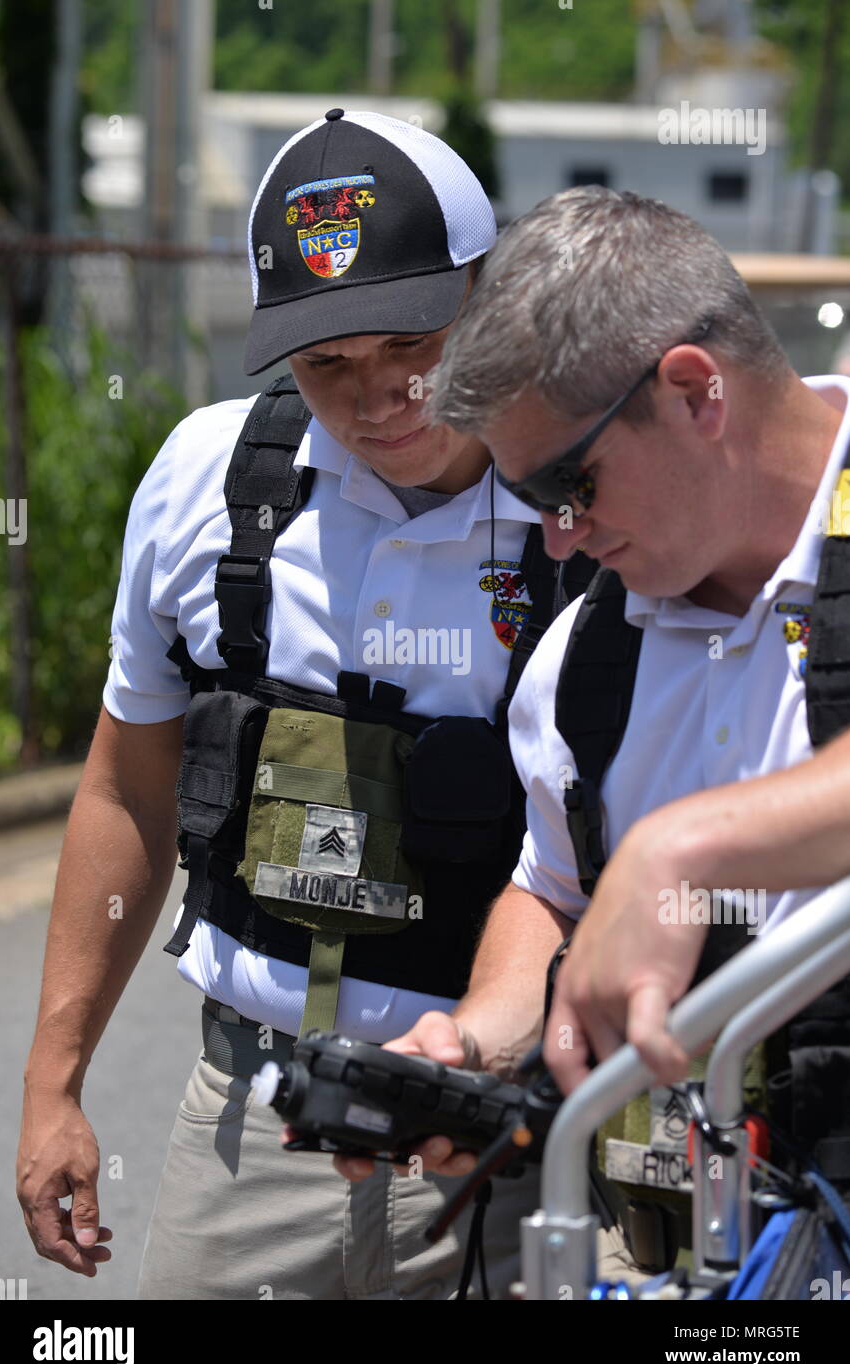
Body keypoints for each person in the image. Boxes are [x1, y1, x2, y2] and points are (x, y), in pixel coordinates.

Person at [15, 110, 555, 1300]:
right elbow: (124, 786)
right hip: (251, 1122)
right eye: (328, 367)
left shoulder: (593, 509)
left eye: (414, 342)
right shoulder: (212, 483)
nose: (380, 398)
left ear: (490, 293)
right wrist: (54, 1084)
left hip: (500, 1139)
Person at [337, 185, 850, 1279]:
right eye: (529, 499)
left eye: (571, 484)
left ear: (693, 390)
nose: (560, 539)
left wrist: (683, 845)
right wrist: (474, 1044)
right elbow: (558, 889)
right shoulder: (587, 655)